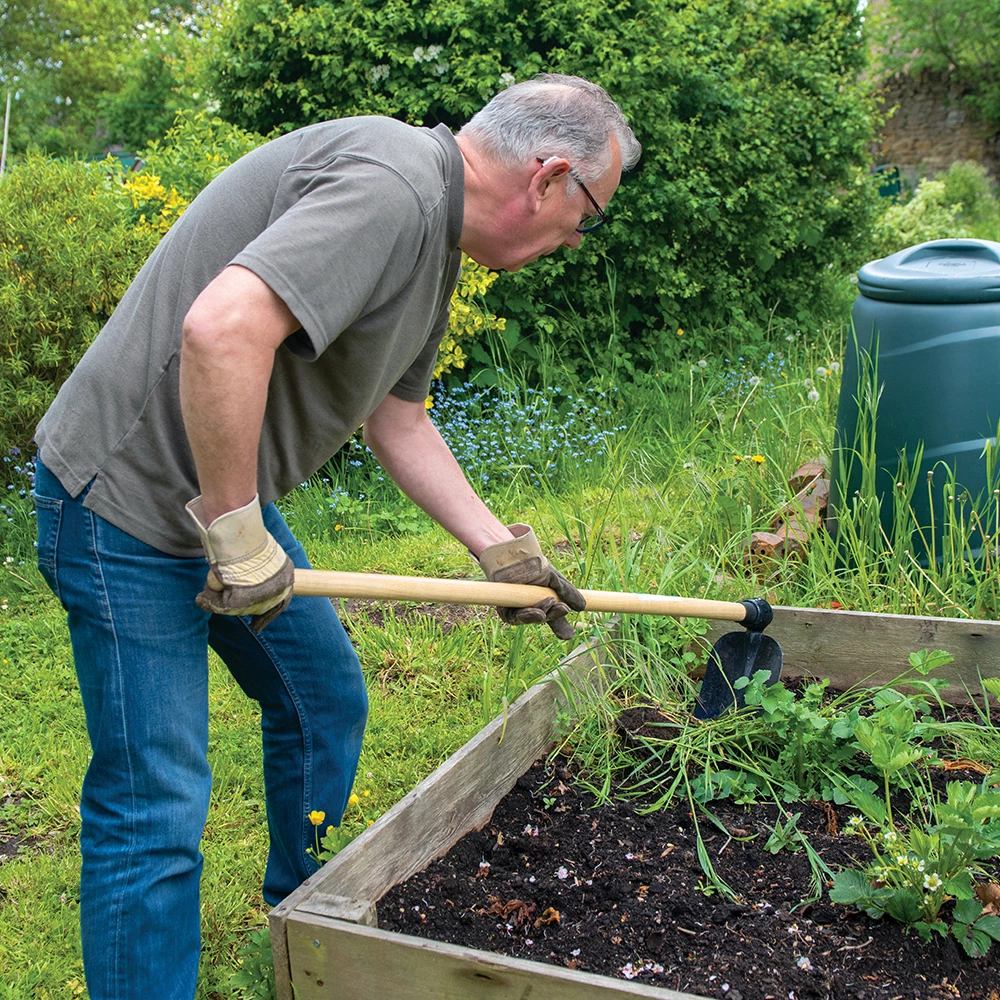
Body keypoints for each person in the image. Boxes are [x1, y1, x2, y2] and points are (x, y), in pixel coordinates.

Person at [32, 73, 641, 999]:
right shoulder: (391, 187)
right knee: (154, 804)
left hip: (218, 504)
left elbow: (398, 416)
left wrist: (496, 548)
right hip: (127, 503)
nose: (575, 238)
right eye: (587, 214)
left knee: (322, 700)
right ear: (549, 176)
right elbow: (221, 330)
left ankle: (300, 922)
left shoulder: (433, 231)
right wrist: (237, 532)